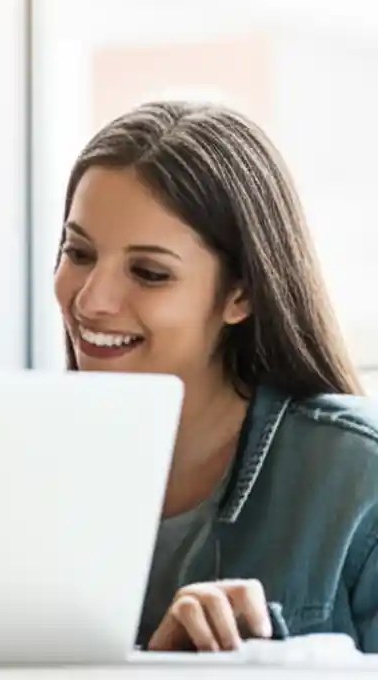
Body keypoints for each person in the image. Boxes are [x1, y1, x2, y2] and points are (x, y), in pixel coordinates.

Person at [53, 100, 378, 652]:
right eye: (79, 252)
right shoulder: (21, 467)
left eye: (149, 273)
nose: (91, 299)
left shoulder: (356, 479)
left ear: (241, 293)